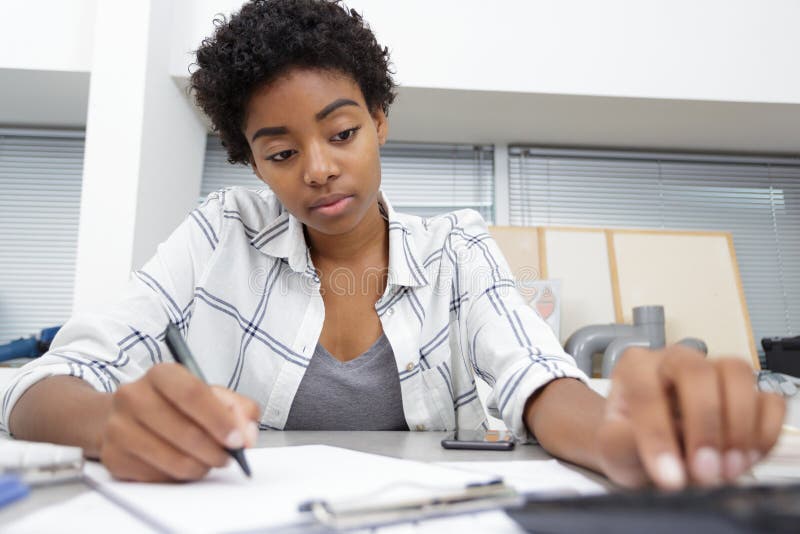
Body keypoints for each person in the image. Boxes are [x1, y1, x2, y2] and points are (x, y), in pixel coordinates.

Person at [3, 0, 784, 489]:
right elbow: (45, 382)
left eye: (342, 132)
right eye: (279, 153)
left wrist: (619, 435)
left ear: (380, 118)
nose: (318, 168)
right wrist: (110, 426)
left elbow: (537, 378)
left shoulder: (455, 250)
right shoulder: (218, 235)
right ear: (251, 161)